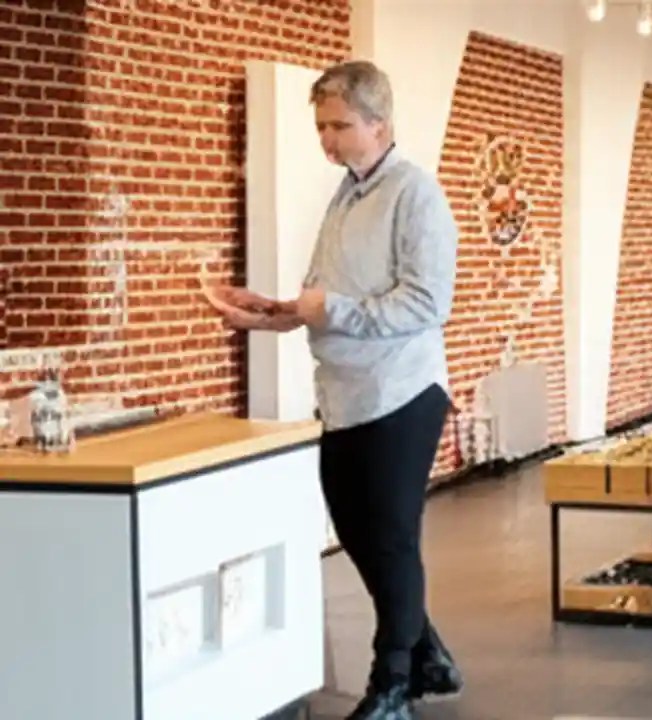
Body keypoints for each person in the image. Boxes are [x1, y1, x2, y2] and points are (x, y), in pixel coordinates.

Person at [212, 59, 461, 720]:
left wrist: (333, 309)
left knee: (391, 538)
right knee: (358, 532)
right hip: (346, 396)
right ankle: (427, 650)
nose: (327, 138)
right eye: (321, 125)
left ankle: (394, 684)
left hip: (401, 396)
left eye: (338, 125)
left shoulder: (417, 195)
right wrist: (270, 311)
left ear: (379, 123)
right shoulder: (347, 193)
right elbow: (330, 296)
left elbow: (426, 304)